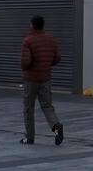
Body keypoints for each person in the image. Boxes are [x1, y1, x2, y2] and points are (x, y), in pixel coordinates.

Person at [20, 15, 64, 146]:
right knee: (47, 106)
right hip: (46, 78)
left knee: (28, 108)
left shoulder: (28, 41)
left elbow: (25, 62)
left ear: (32, 25)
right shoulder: (51, 39)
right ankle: (56, 126)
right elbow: (57, 57)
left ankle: (29, 137)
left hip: (31, 79)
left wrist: (25, 67)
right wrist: (46, 65)